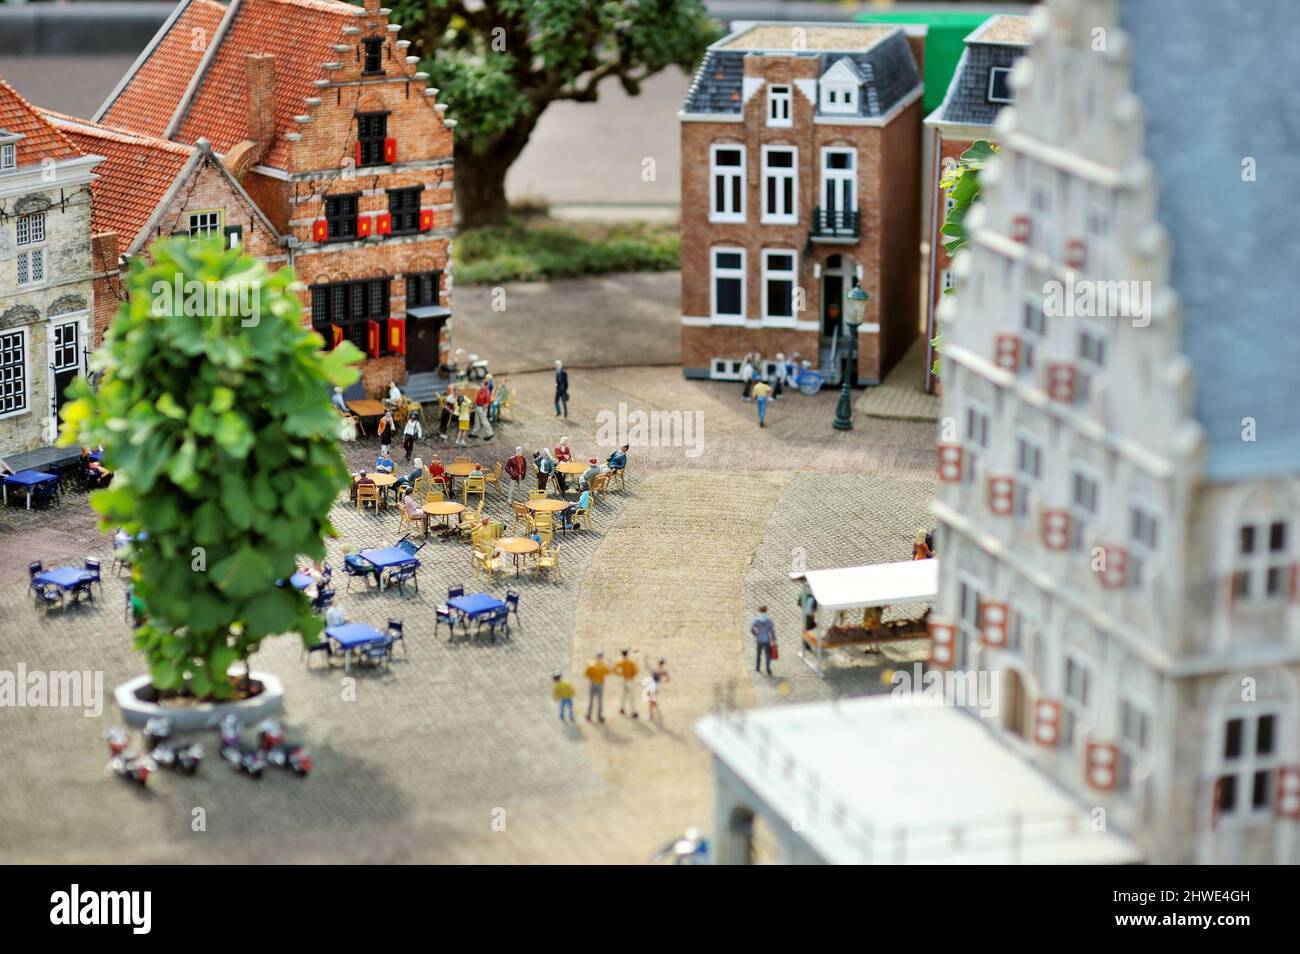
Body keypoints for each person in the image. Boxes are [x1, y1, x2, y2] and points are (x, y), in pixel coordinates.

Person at [584, 652, 610, 723]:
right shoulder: (603, 665)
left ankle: (589, 715)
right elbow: (608, 672)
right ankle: (599, 716)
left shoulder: (591, 665)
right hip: (600, 684)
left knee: (591, 700)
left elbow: (586, 674)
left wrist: (592, 678)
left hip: (592, 683)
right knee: (599, 701)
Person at [613, 649, 639, 719]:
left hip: (624, 679)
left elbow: (614, 669)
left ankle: (622, 708)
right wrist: (632, 676)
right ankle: (633, 711)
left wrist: (620, 674)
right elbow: (636, 671)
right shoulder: (631, 662)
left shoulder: (621, 661)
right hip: (630, 680)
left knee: (623, 695)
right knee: (631, 696)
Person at [643, 657, 669, 724]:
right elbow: (667, 678)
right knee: (651, 701)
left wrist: (645, 659)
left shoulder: (657, 670)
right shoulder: (662, 671)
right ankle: (656, 712)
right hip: (654, 686)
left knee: (650, 701)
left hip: (652, 686)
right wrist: (663, 681)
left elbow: (647, 667)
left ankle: (651, 715)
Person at [751, 605, 776, 675]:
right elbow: (772, 631)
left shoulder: (756, 620)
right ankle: (768, 669)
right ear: (766, 611)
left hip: (759, 640)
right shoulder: (769, 620)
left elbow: (752, 629)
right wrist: (774, 639)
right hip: (766, 640)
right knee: (768, 655)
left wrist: (756, 634)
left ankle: (757, 667)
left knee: (758, 654)